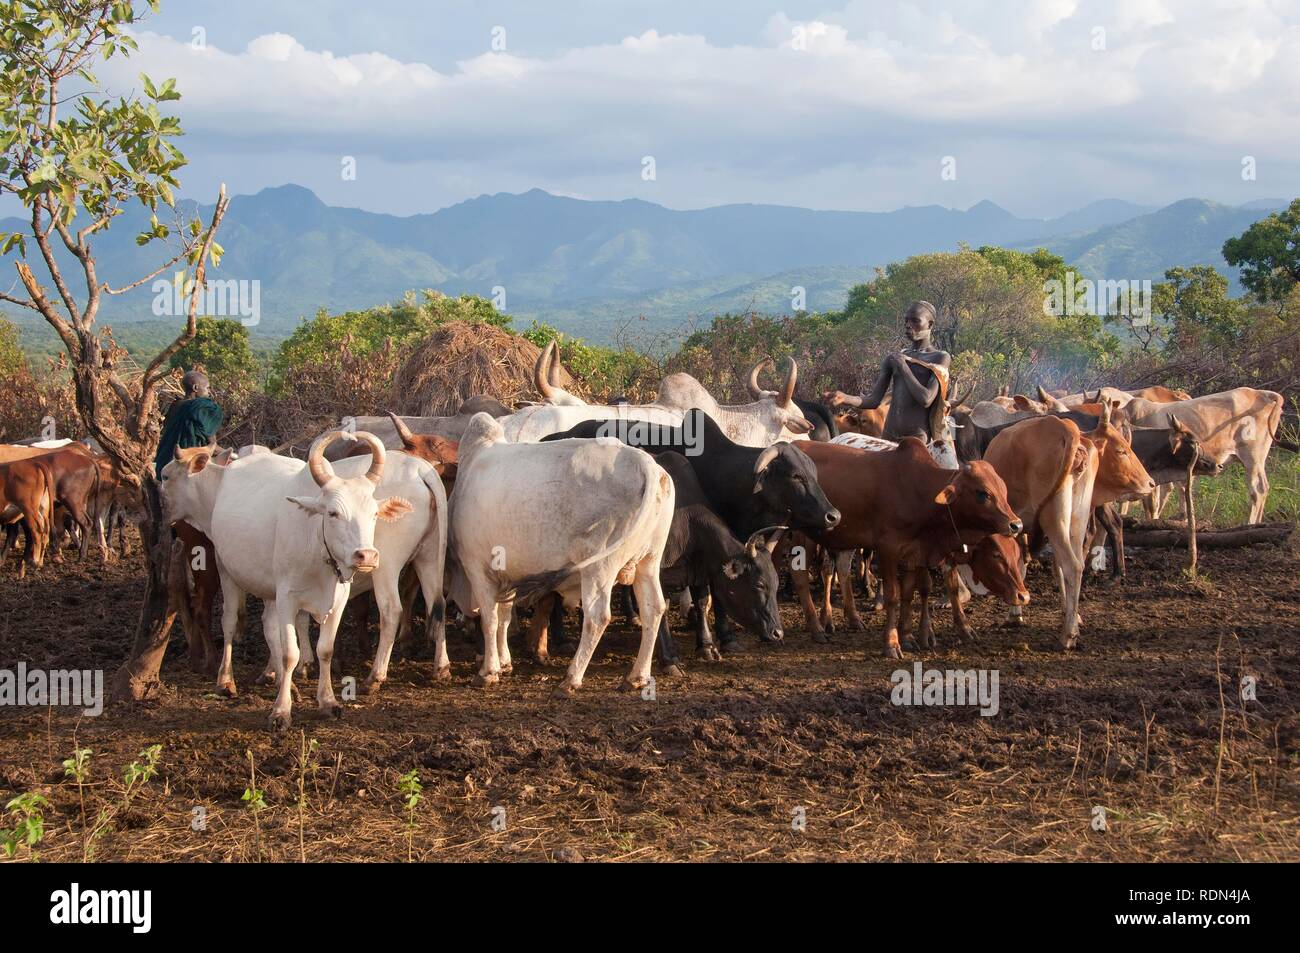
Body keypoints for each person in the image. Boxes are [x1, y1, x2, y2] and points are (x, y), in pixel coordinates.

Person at [828, 300, 951, 443]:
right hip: (888, 437)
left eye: (915, 321)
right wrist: (845, 398)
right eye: (906, 321)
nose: (908, 325)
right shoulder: (893, 359)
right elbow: (873, 400)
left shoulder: (940, 357)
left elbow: (926, 399)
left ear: (930, 325)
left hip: (917, 440)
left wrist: (903, 366)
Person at [154, 370, 223, 479]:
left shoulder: (175, 405)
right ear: (195, 388)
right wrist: (234, 455)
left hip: (163, 463)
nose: (209, 392)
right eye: (207, 388)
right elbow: (212, 445)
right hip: (187, 467)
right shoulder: (202, 408)